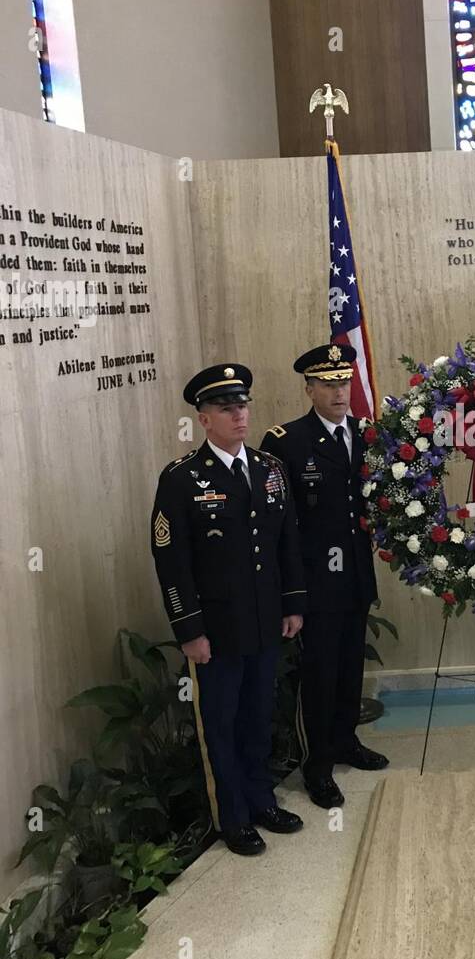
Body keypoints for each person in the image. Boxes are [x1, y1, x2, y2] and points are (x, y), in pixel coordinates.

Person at [150, 364, 305, 856]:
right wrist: (189, 630)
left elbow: (287, 543)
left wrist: (293, 604)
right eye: (225, 408)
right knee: (221, 722)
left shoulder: (268, 469)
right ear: (204, 419)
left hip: (264, 623)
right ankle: (231, 816)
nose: (239, 415)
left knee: (258, 718)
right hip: (215, 632)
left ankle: (261, 800)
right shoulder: (182, 478)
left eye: (242, 405)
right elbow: (170, 561)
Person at [261, 344, 386, 811]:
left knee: (350, 666)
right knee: (318, 674)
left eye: (344, 382)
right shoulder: (285, 442)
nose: (339, 391)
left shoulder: (367, 434)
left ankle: (345, 740)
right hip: (314, 582)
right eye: (329, 384)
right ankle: (316, 765)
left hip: (354, 575)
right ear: (309, 388)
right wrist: (291, 591)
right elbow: (281, 527)